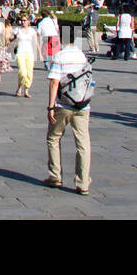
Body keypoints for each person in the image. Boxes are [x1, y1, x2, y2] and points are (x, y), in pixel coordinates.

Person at [44, 43, 93, 195]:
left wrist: (51, 107)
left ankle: (55, 176)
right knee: (83, 143)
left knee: (53, 138)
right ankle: (83, 183)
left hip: (63, 105)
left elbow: (54, 82)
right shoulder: (82, 56)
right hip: (82, 106)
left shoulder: (60, 56)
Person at [13, 14, 41, 98]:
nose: (23, 22)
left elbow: (36, 42)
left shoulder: (32, 31)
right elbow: (10, 38)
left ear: (28, 21)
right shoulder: (17, 30)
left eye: (25, 20)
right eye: (22, 20)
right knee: (22, 71)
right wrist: (13, 37)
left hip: (29, 53)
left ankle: (26, 90)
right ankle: (19, 87)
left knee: (29, 72)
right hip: (20, 53)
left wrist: (40, 54)